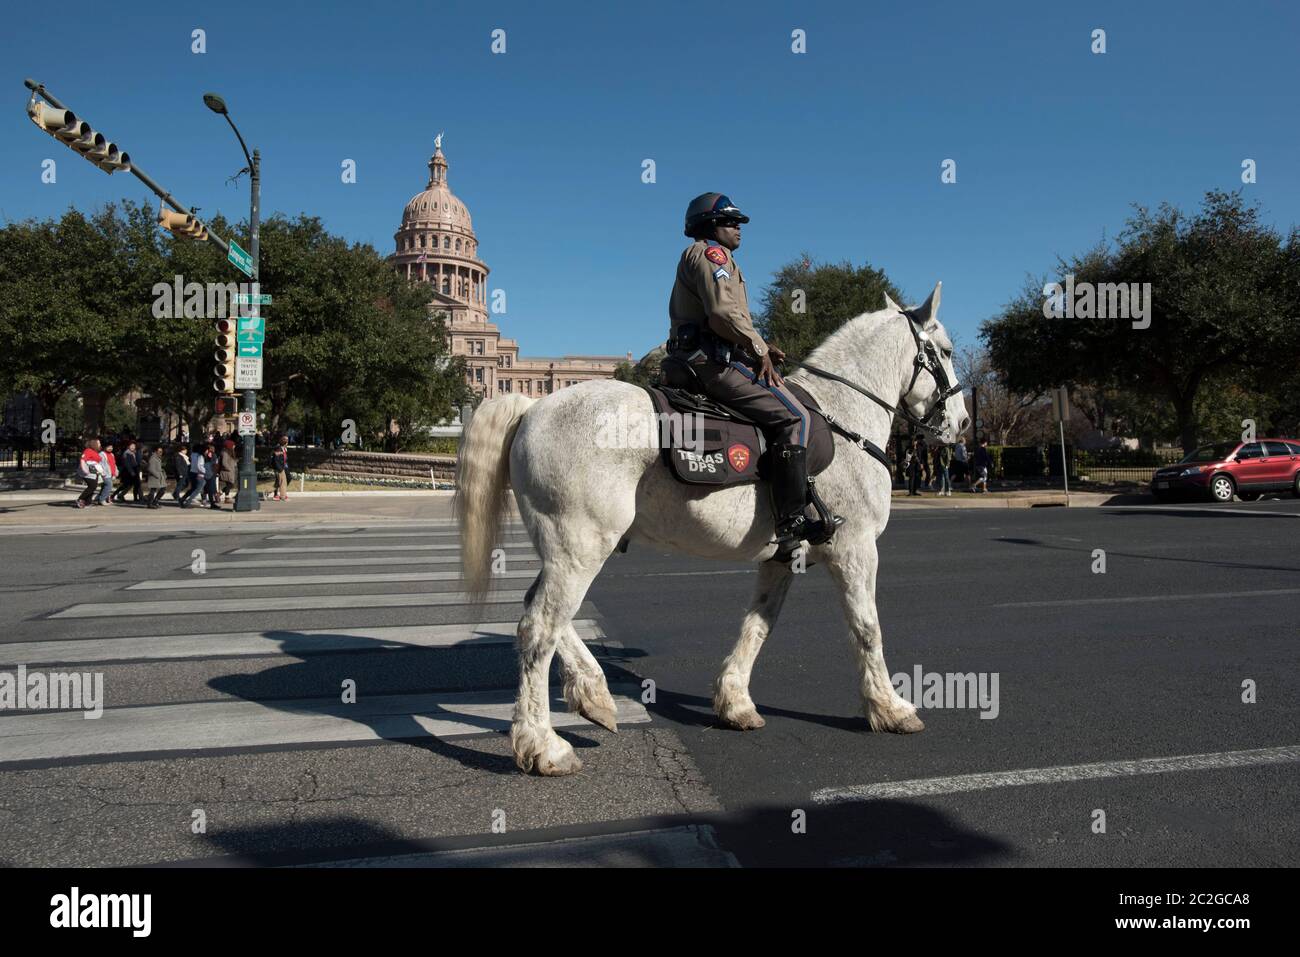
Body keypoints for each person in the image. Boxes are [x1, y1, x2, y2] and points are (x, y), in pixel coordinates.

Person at [662, 192, 842, 552]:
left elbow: (728, 318)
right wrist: (757, 348)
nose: (738, 228)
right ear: (710, 226)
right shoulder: (713, 254)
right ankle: (790, 522)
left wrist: (760, 343)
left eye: (739, 222)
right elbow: (721, 315)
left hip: (698, 358)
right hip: (710, 364)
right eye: (731, 222)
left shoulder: (710, 257)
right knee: (796, 418)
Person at [75, 438, 102, 508]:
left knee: (93, 486)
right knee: (92, 486)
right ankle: (80, 499)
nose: (100, 444)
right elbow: (83, 459)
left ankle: (88, 502)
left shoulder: (95, 451)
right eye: (98, 443)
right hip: (87, 472)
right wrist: (84, 469)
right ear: (94, 444)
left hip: (94, 472)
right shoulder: (88, 450)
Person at [179, 442, 206, 508]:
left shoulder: (192, 455)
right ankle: (189, 501)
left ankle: (183, 499)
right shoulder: (200, 456)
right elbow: (199, 466)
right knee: (198, 489)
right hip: (198, 473)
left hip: (192, 472)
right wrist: (205, 471)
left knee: (193, 488)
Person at [97, 441, 117, 505]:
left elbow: (114, 463)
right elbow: (100, 464)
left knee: (104, 487)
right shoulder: (101, 454)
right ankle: (102, 500)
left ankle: (103, 499)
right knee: (109, 485)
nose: (110, 448)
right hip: (105, 473)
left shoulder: (112, 454)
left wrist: (116, 471)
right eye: (108, 447)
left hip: (111, 473)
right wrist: (102, 473)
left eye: (111, 447)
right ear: (105, 447)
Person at [272, 435, 291, 501]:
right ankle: (281, 496)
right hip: (279, 467)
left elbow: (284, 458)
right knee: (281, 481)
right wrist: (280, 469)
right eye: (286, 440)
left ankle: (282, 494)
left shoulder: (284, 448)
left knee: (286, 479)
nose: (287, 442)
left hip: (284, 466)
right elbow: (276, 460)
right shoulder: (278, 448)